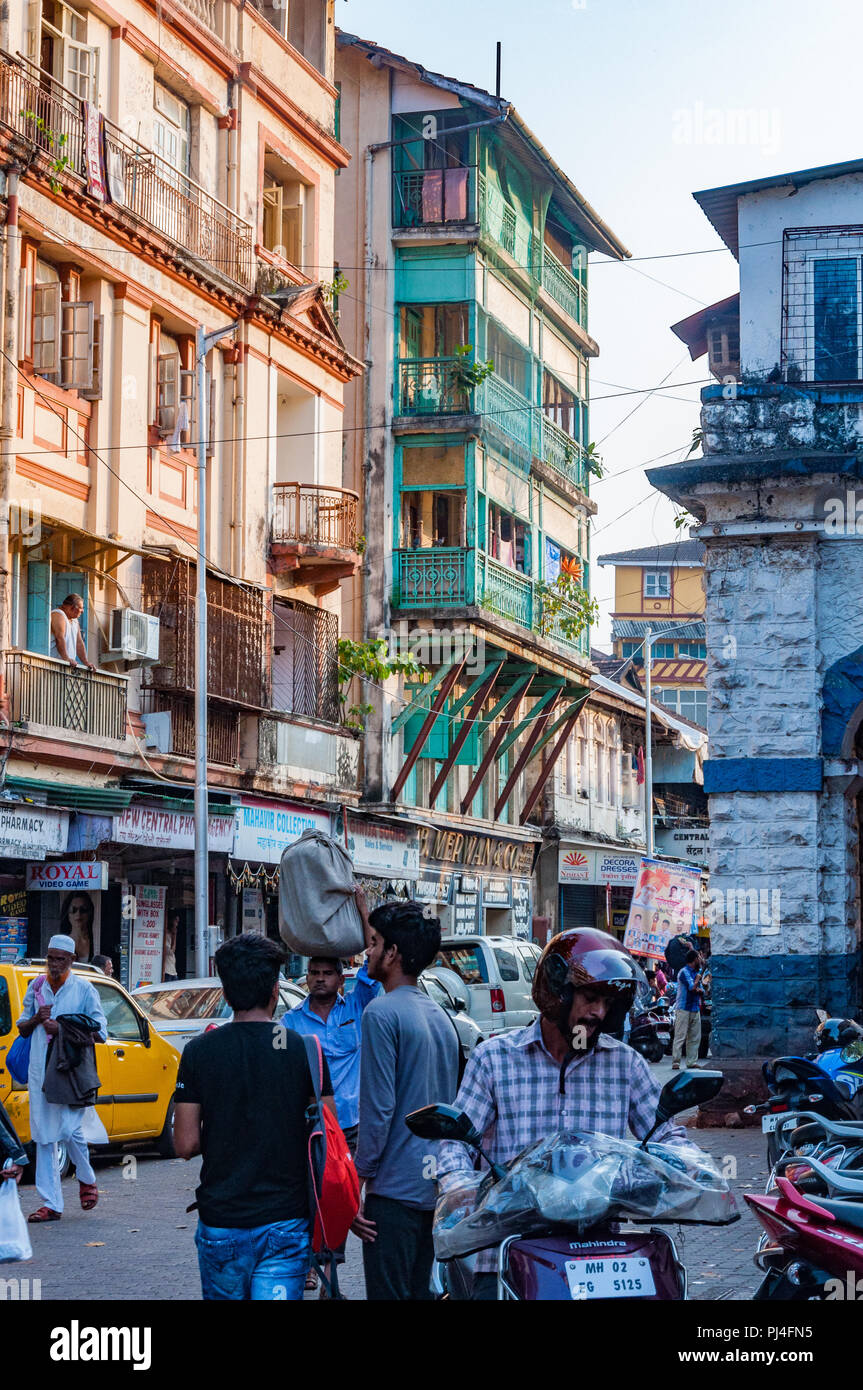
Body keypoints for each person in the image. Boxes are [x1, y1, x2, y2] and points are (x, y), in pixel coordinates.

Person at [435, 928, 695, 1300]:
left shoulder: (626, 1066)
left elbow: (665, 1133)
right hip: (508, 1256)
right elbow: (456, 1140)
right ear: (557, 992)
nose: (599, 1013)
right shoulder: (494, 1059)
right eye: (590, 998)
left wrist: (684, 1165)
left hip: (598, 1259)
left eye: (608, 1003)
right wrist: (458, 1185)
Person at [173, 932, 335, 1301]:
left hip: (222, 1221)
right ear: (275, 991)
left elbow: (184, 1144)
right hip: (285, 1221)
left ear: (226, 993)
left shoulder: (199, 1052)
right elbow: (328, 1135)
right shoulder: (305, 1051)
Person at [351, 901, 459, 1301]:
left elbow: (378, 1110)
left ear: (392, 953)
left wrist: (356, 1182)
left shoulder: (380, 1014)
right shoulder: (440, 1016)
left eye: (375, 942)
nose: (369, 951)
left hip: (393, 1194)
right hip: (436, 1191)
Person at [281, 887, 380, 1294]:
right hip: (312, 1127)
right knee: (310, 1197)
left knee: (340, 1200)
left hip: (352, 1127)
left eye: (327, 972)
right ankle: (312, 1263)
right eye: (313, 972)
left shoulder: (357, 1005)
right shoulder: (289, 1020)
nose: (319, 978)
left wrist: (360, 907)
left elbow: (376, 953)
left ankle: (328, 1278)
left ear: (342, 977)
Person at [15, 935, 107, 1222]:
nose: (54, 964)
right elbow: (22, 1028)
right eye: (50, 958)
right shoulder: (36, 987)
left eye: (60, 959)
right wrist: (36, 1019)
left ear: (72, 961)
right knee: (43, 1135)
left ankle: (86, 1176)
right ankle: (51, 1203)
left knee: (68, 1129)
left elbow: (101, 1033)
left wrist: (62, 1029)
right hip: (40, 1070)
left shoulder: (84, 989)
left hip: (70, 1071)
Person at [671, 949, 703, 1071]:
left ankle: (691, 1061)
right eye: (698, 958)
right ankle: (676, 1061)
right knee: (680, 1035)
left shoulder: (696, 972)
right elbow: (692, 987)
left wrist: (698, 986)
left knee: (694, 1037)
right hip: (683, 1008)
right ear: (694, 959)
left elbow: (700, 990)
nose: (700, 960)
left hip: (694, 1008)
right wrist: (697, 981)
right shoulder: (684, 972)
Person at [49, 593, 94, 670]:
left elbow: (79, 643)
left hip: (67, 666)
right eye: (80, 608)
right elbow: (59, 638)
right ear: (71, 607)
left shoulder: (75, 621)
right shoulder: (58, 614)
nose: (82, 611)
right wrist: (66, 659)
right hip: (54, 665)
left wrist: (86, 662)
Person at [59, 892, 94, 963]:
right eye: (73, 910)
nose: (78, 914)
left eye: (83, 909)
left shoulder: (94, 940)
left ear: (90, 913)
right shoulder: (63, 942)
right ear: (68, 915)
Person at [163, 915, 179, 983]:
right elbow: (170, 951)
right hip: (167, 970)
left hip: (172, 970)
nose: (177, 925)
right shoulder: (166, 935)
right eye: (176, 921)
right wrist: (174, 936)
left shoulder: (170, 935)